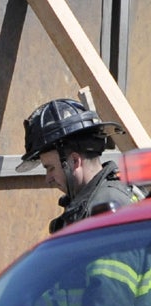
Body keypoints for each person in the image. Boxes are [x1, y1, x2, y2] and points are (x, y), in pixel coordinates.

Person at [18, 98, 142, 234]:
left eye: (50, 168)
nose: (48, 179)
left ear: (75, 161)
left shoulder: (105, 207)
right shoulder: (95, 200)